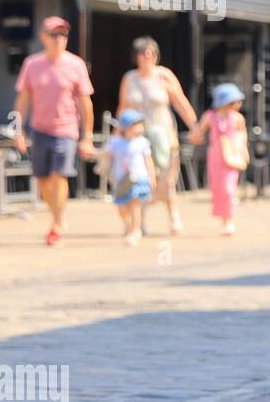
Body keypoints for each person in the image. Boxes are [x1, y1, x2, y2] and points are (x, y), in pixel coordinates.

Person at [12, 16, 95, 246]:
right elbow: (23, 100)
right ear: (43, 37)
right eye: (54, 35)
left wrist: (87, 136)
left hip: (66, 130)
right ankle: (57, 214)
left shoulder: (76, 64)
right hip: (39, 130)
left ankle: (57, 223)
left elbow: (85, 103)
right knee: (43, 181)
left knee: (59, 176)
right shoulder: (32, 64)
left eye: (63, 35)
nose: (59, 39)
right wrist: (18, 131)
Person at [117, 37, 198, 235]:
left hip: (163, 136)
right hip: (138, 139)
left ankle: (173, 214)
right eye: (143, 53)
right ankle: (140, 221)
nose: (148, 57)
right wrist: (117, 135)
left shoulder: (164, 76)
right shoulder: (130, 78)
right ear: (136, 56)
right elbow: (123, 109)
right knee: (141, 178)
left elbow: (180, 103)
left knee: (166, 179)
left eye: (151, 53)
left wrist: (195, 127)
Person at [188, 83, 248, 236]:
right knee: (218, 189)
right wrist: (195, 137)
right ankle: (224, 220)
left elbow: (242, 136)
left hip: (231, 156)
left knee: (229, 189)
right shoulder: (210, 116)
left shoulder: (238, 118)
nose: (239, 104)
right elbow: (198, 132)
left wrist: (244, 152)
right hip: (216, 156)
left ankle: (230, 221)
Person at [103, 109, 157, 246]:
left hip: (139, 178)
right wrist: (91, 151)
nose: (140, 127)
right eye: (136, 124)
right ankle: (128, 225)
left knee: (135, 204)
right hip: (121, 180)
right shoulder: (115, 142)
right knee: (121, 207)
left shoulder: (142, 142)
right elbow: (104, 153)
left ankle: (136, 230)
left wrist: (152, 177)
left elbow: (149, 161)